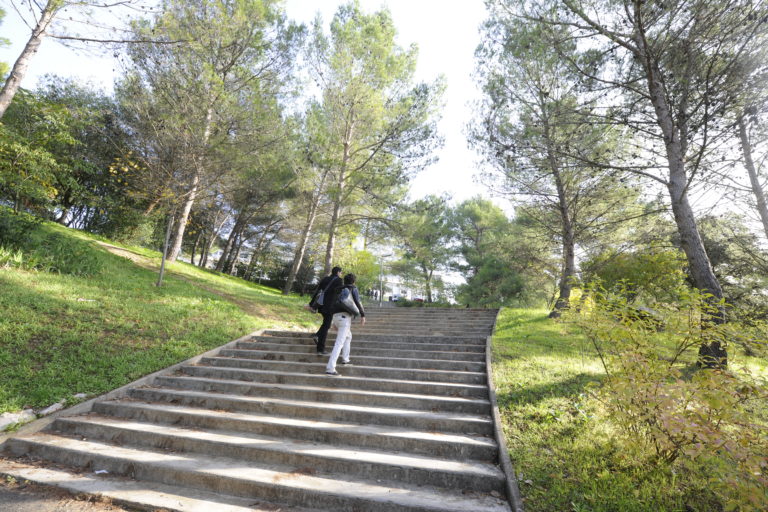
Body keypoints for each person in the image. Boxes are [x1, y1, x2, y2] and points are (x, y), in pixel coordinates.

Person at [325, 273, 366, 376]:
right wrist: (363, 315)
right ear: (354, 281)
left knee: (348, 337)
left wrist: (333, 322)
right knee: (339, 343)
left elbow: (332, 304)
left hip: (336, 316)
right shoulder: (353, 289)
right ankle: (330, 368)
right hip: (344, 318)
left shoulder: (338, 289)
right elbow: (357, 302)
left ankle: (345, 359)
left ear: (344, 281)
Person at [309, 266, 342, 355]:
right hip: (330, 307)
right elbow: (340, 294)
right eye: (340, 272)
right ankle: (320, 349)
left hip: (321, 305)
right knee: (326, 326)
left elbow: (318, 291)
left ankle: (317, 335)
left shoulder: (325, 279)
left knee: (326, 324)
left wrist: (312, 304)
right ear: (338, 272)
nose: (341, 274)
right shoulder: (339, 280)